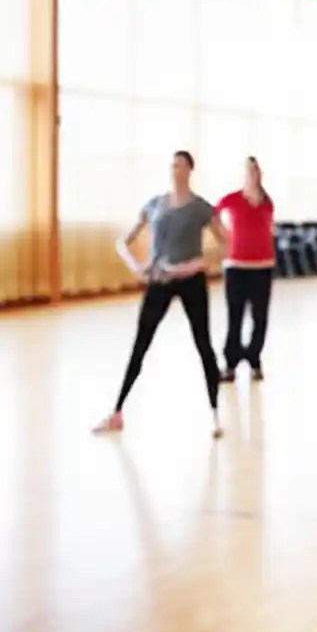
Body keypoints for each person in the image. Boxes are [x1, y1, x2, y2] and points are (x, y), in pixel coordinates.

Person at [94, 150, 229, 439]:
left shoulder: (201, 208)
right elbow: (124, 241)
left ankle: (215, 414)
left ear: (190, 170)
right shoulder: (154, 205)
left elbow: (226, 244)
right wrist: (136, 266)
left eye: (180, 165)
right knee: (141, 343)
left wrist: (199, 263)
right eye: (172, 165)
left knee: (203, 343)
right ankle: (117, 412)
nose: (175, 169)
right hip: (159, 280)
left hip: (191, 281)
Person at [215, 156, 275, 382]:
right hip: (236, 267)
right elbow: (214, 214)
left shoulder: (267, 201)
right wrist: (224, 236)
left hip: (263, 266)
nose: (253, 174)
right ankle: (231, 363)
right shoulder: (232, 199)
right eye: (249, 171)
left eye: (256, 170)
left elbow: (269, 225)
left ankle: (254, 358)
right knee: (235, 316)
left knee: (260, 317)